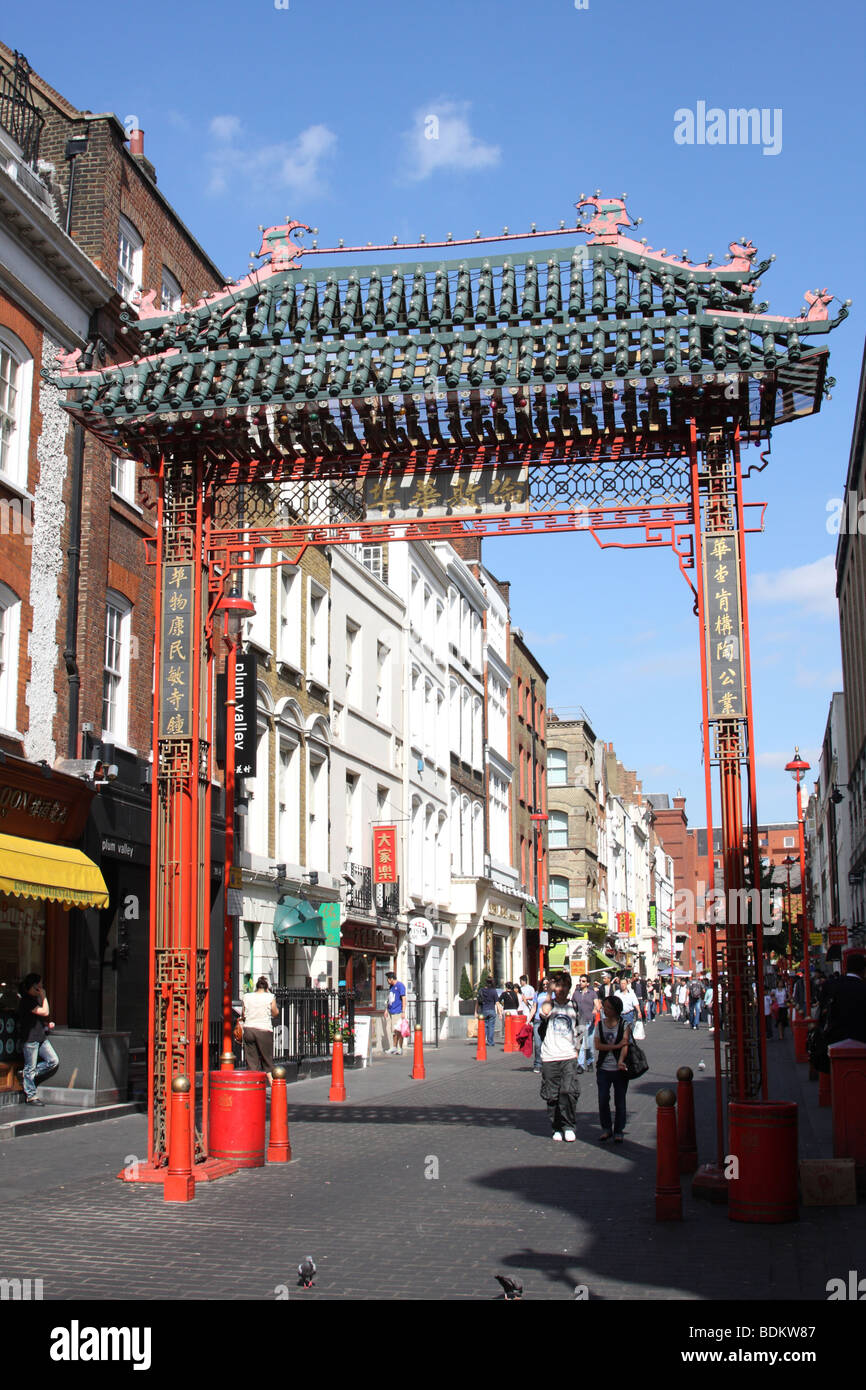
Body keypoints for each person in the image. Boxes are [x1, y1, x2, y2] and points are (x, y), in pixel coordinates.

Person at [538, 972, 581, 1141]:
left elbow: (581, 1028)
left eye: (564, 985)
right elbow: (544, 1012)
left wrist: (577, 1048)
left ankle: (569, 1125)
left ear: (569, 987)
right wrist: (549, 992)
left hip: (568, 1055)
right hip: (550, 1055)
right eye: (558, 986)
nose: (561, 989)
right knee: (552, 1094)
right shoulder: (551, 1004)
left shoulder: (574, 1006)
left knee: (568, 1091)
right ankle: (556, 1126)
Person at [595, 993, 631, 1143]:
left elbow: (626, 1044)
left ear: (616, 1010)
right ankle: (606, 1128)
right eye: (604, 1007)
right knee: (603, 1099)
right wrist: (615, 1046)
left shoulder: (624, 1025)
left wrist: (621, 1060)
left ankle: (618, 1130)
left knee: (620, 1101)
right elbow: (597, 1045)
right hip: (603, 1067)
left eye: (608, 1008)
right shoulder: (600, 1025)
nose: (605, 1010)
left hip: (619, 1068)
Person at [18, 974, 59, 1105]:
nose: (42, 987)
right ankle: (31, 1095)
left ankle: (27, 1076)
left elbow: (36, 1019)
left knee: (53, 1061)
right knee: (30, 1067)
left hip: (40, 1037)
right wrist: (44, 996)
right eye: (40, 984)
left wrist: (46, 1025)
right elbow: (45, 1012)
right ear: (35, 986)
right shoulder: (27, 1001)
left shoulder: (33, 999)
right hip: (30, 1039)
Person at [823, 953, 866, 1045]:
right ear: (863, 969)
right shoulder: (863, 987)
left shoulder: (833, 985)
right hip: (861, 1040)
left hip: (837, 1041)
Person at [241, 975, 278, 1077]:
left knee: (252, 1063)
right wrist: (270, 994)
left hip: (249, 1029)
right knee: (268, 1062)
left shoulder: (247, 996)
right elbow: (275, 1013)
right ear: (266, 988)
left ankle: (253, 1087)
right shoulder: (270, 997)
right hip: (264, 1030)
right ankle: (274, 1087)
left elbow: (243, 1014)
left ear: (256, 987)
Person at [572, 973, 597, 1073]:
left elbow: (597, 1004)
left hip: (590, 1020)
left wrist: (595, 1009)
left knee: (589, 1045)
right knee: (581, 1044)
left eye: (583, 981)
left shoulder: (592, 993)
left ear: (587, 983)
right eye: (580, 981)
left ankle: (590, 1061)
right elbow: (572, 1004)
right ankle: (580, 1065)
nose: (581, 983)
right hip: (580, 1021)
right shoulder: (576, 993)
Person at [530, 975, 553, 1073]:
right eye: (543, 984)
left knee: (547, 1044)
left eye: (547, 984)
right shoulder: (537, 994)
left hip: (548, 1021)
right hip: (538, 1020)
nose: (545, 986)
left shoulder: (552, 995)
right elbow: (534, 1008)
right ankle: (537, 1064)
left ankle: (547, 1064)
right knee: (538, 1044)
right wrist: (528, 1020)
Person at [384, 971, 406, 1053]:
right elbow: (389, 998)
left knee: (398, 1030)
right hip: (390, 1011)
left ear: (391, 979)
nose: (387, 981)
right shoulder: (391, 987)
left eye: (388, 979)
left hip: (397, 1011)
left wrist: (403, 1011)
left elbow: (404, 999)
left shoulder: (400, 986)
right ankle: (394, 1046)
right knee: (391, 1030)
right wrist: (386, 1009)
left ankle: (400, 1048)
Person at [477, 976, 502, 1048]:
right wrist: (500, 1013)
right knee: (491, 1026)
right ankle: (490, 1041)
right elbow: (497, 1003)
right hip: (491, 1010)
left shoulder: (481, 990)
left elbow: (478, 1001)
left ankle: (482, 1040)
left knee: (484, 1026)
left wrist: (476, 1011)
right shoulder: (494, 991)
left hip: (484, 1010)